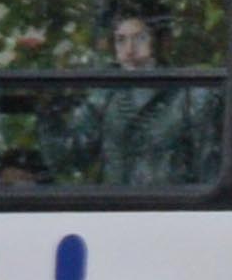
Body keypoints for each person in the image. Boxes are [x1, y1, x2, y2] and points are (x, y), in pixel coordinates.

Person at [64, 12, 219, 188]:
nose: (129, 50)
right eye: (121, 40)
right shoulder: (104, 96)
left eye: (140, 39)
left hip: (172, 201)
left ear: (162, 42)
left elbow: (208, 169)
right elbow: (72, 156)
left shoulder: (191, 96)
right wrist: (48, 111)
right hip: (115, 201)